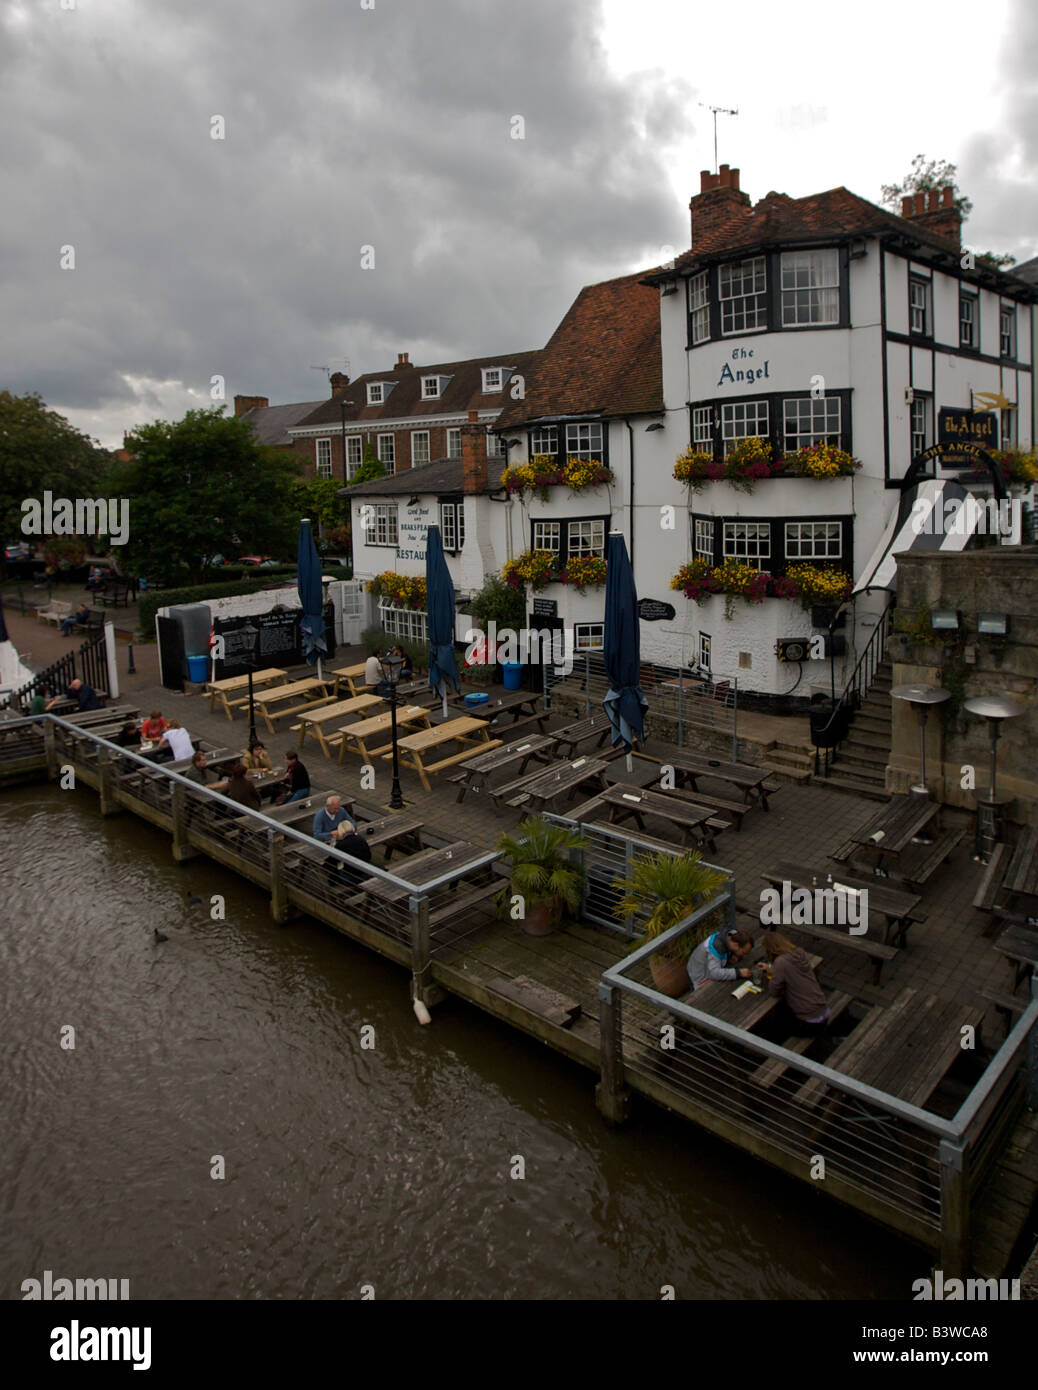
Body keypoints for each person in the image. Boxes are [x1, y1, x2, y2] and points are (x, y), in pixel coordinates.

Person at [758, 931, 835, 1037]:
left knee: (772, 1024)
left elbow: (773, 990)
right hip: (824, 1013)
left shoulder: (780, 962)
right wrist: (772, 970)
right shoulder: (800, 952)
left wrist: (774, 972)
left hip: (810, 1024)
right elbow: (794, 972)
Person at [313, 794, 371, 884]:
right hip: (329, 841)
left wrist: (345, 830)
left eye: (338, 808)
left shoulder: (341, 811)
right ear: (327, 807)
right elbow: (317, 835)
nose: (337, 811)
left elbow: (353, 823)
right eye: (335, 809)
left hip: (342, 841)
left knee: (334, 862)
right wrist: (331, 833)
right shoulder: (319, 816)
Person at [687, 925, 755, 991]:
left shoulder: (730, 936)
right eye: (743, 953)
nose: (744, 955)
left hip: (708, 968)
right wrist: (738, 973)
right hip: (699, 978)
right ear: (736, 945)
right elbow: (714, 973)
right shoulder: (716, 947)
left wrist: (731, 956)